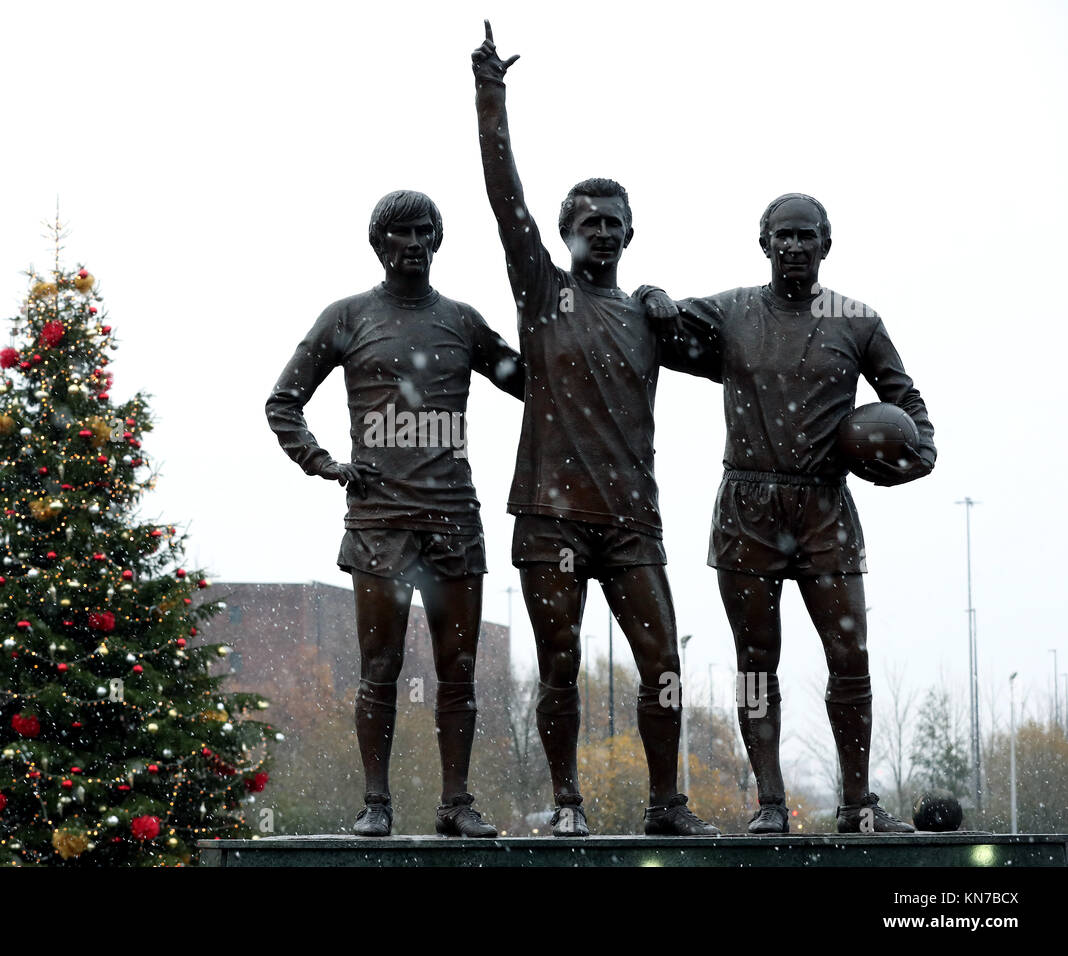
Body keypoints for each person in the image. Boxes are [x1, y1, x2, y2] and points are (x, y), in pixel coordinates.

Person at [472, 21, 719, 837]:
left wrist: (674, 308)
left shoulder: (647, 317)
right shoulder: (543, 292)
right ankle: (568, 801)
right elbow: (504, 195)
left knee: (665, 667)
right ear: (566, 230)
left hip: (631, 518)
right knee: (560, 667)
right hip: (549, 514)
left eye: (614, 220)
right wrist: (491, 96)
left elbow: (740, 360)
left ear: (630, 231)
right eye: (588, 220)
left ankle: (666, 805)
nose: (602, 230)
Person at [642, 192, 936, 833]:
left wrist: (910, 461)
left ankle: (857, 805)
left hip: (824, 507)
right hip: (748, 506)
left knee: (850, 658)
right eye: (783, 235)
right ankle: (770, 803)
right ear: (764, 242)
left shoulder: (857, 321)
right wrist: (653, 294)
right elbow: (664, 331)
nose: (794, 246)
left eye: (807, 236)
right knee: (755, 662)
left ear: (826, 245)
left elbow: (911, 411)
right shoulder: (735, 311)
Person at [266, 189, 524, 837]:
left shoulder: (463, 322)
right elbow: (283, 402)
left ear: (438, 240)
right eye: (401, 232)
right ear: (380, 244)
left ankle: (456, 803)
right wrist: (325, 464)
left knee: (458, 671)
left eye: (424, 231)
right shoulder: (347, 317)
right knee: (379, 667)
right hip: (379, 520)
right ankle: (376, 803)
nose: (413, 242)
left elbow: (530, 382)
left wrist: (557, 326)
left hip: (454, 519)